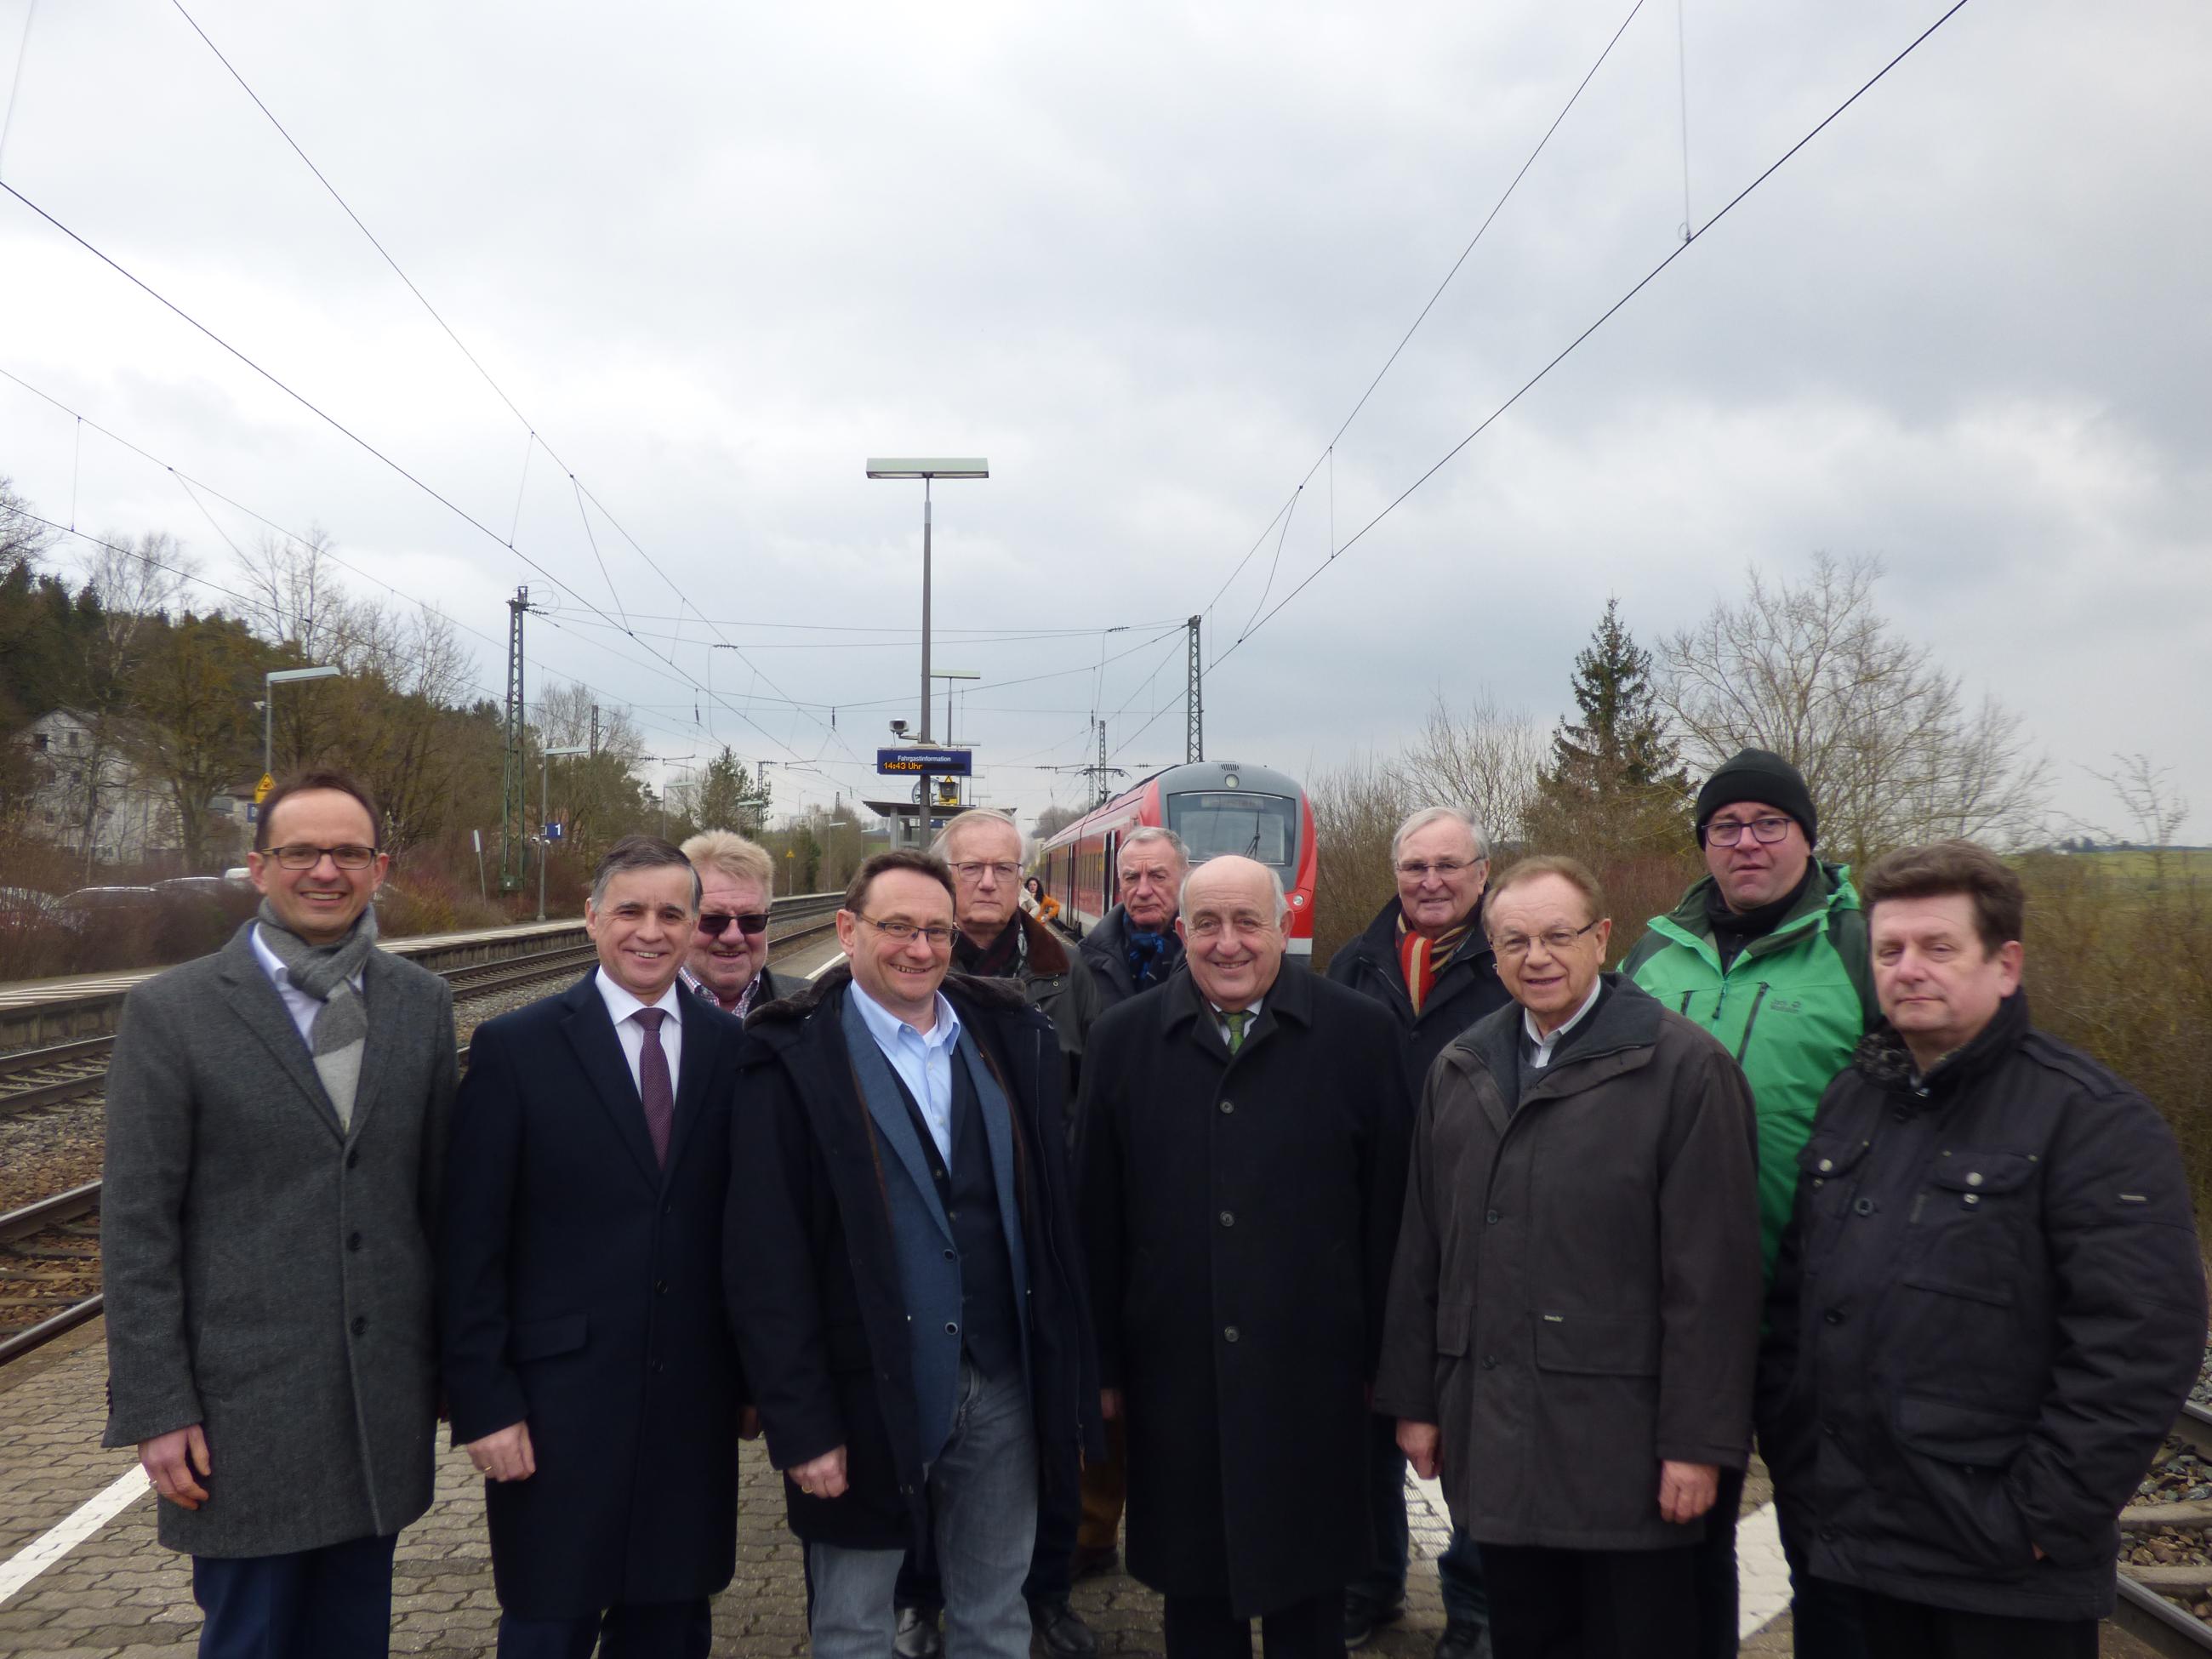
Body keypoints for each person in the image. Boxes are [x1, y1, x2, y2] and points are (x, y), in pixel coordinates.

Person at [1756, 841, 2206, 1659]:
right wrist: (1793, 1447)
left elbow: (2142, 1343)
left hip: (1995, 1575)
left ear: (2006, 964)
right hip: (1845, 1550)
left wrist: (2040, 1518)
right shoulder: (1855, 1098)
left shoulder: (2092, 1122)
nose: (1908, 969)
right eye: (1890, 950)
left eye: (1938, 948)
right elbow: (1800, 1298)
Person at [101, 767, 456, 1659]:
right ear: (258, 868)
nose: (325, 871)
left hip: (376, 1409)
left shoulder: (419, 1006)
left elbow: (439, 1205)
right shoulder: (172, 1013)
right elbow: (139, 1227)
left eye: (348, 853)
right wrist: (156, 1406)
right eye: (301, 852)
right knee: (250, 1641)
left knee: (353, 1640)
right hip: (239, 1419)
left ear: (380, 868)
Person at [1377, 857, 1762, 1659]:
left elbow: (1712, 1283)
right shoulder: (1464, 1068)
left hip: (1623, 1452)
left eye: (1559, 936)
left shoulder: (1685, 1071)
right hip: (1501, 1439)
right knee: (1528, 1636)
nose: (1537, 957)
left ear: (1602, 939)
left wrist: (1698, 1444)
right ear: (1491, 948)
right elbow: (1424, 1246)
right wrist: (1415, 1398)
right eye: (1514, 940)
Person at [725, 849, 1101, 1659]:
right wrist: (801, 1424)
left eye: (937, 930)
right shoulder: (790, 1059)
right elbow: (767, 1263)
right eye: (898, 928)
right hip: (863, 1395)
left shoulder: (1011, 1040)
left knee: (994, 1614)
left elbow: (1051, 1230)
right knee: (856, 1624)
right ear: (848, 930)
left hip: (1002, 1384)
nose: (920, 949)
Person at [1080, 854, 1411, 1659]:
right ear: (1182, 931)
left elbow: (1394, 1213)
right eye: (1207, 925)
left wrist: (1391, 1366)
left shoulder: (1360, 1034)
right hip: (1175, 1370)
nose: (1228, 945)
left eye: (1247, 923)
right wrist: (1101, 1368)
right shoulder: (1125, 1038)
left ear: (1285, 926)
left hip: (1319, 1373)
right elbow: (1094, 1214)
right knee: (1197, 1602)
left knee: (1310, 1598)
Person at [439, 835, 749, 1659]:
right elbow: (470, 1245)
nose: (650, 932)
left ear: (692, 929)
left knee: (670, 1629)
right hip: (553, 1415)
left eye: (670, 915)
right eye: (630, 912)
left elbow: (750, 1238)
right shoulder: (517, 1048)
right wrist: (484, 1401)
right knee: (547, 1626)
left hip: (690, 1410)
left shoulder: (732, 1053)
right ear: (590, 919)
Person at [1620, 748, 1878, 1656]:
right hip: (1684, 1307)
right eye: (1724, 827)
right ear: (1702, 845)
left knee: (1827, 1545)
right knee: (1683, 1537)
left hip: (1815, 1306)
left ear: (1806, 836)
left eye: (1768, 823)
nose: (1746, 842)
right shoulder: (1652, 955)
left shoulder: (1859, 946)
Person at [894, 812, 1101, 1659]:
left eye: (1002, 868)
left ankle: (1040, 1591)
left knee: (1037, 1428)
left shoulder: (1063, 971)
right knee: (923, 1427)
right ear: (944, 874)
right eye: (970, 867)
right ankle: (918, 1594)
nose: (987, 882)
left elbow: (1088, 1093)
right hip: (932, 1227)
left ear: (1026, 879)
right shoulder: (910, 964)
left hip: (1034, 1235)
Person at [1325, 807, 1507, 1657]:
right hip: (1367, 1228)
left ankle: (1473, 1603)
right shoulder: (1352, 967)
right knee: (1363, 1417)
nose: (1429, 882)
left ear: (1480, 874)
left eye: (1447, 866)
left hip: (1480, 1227)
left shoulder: (1511, 963)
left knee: (1471, 1417)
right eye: (1414, 867)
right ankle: (1367, 1578)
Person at [1064, 824, 1191, 1584]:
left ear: (1182, 879)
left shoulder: (1209, 951)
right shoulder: (1084, 959)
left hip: (1184, 1177)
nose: (1144, 889)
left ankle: (1169, 1521)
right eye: (1133, 877)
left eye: (1158, 876)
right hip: (1109, 1178)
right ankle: (1090, 1529)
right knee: (1103, 1365)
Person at [679, 828, 794, 1018]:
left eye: (751, 920)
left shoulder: (815, 1011)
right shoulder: (641, 1018)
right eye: (713, 920)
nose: (733, 936)